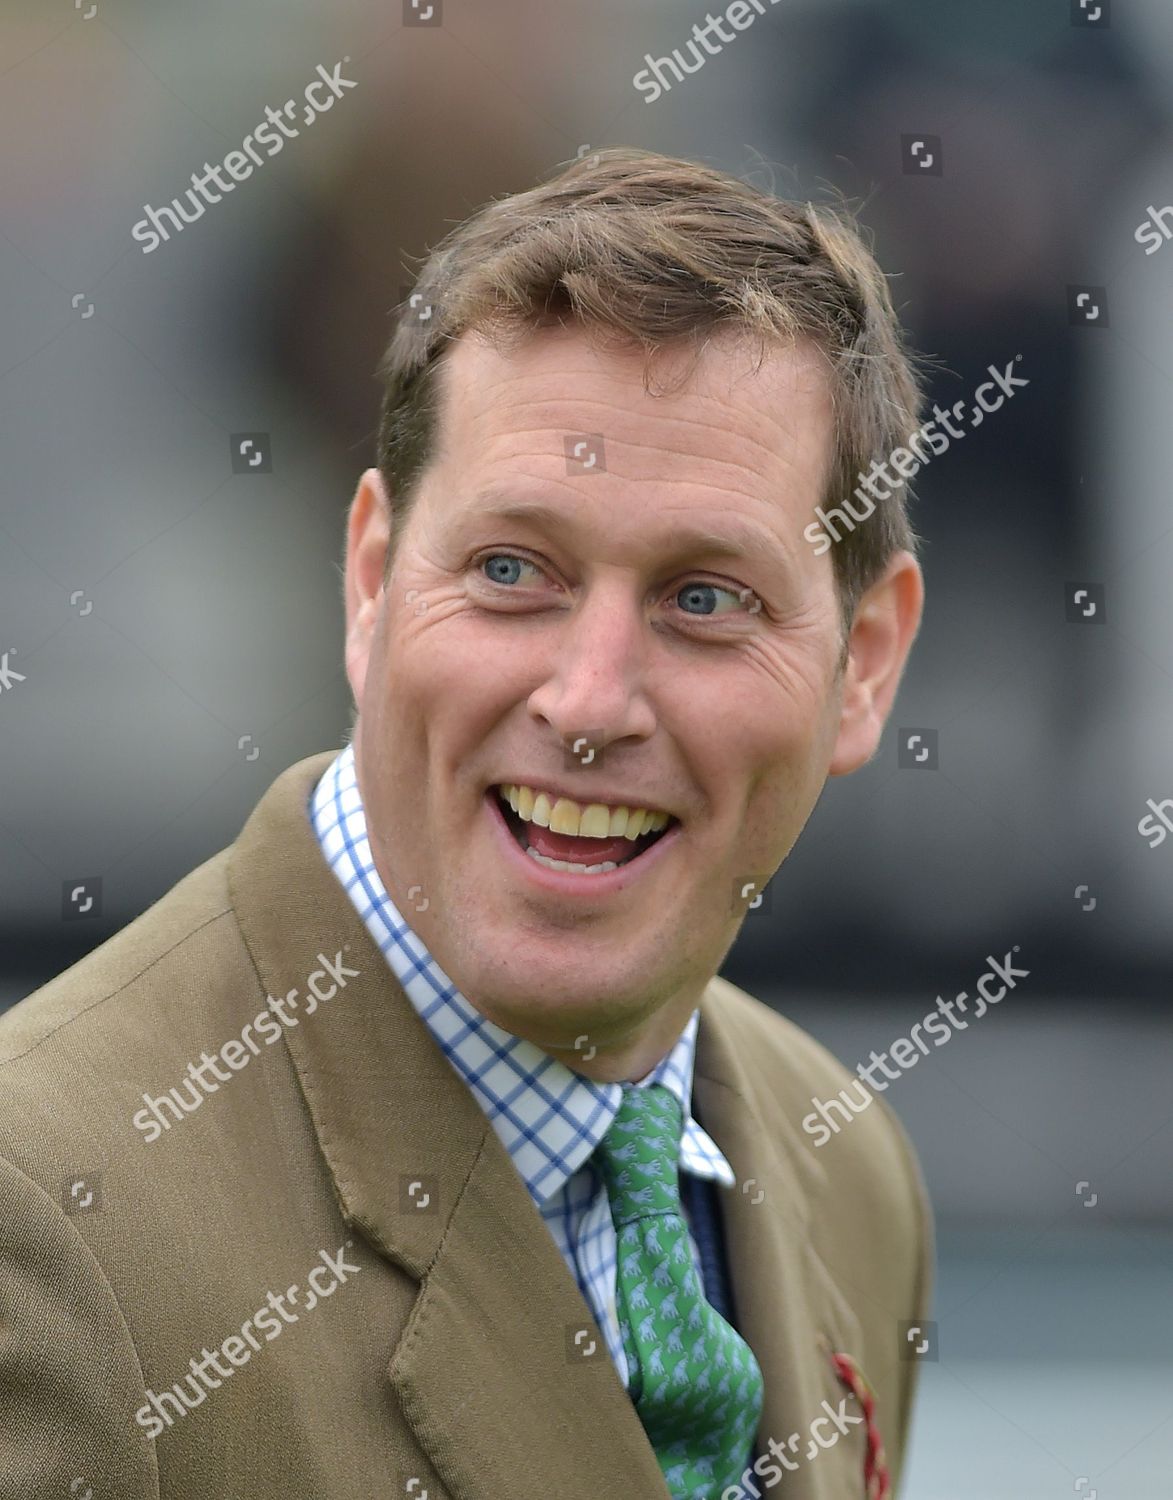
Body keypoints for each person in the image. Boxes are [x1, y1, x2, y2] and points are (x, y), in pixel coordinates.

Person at [0, 148, 931, 1499]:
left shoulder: (845, 1166)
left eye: (705, 598)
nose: (590, 698)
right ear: (371, 582)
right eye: (510, 571)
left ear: (864, 665)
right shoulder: (47, 1224)